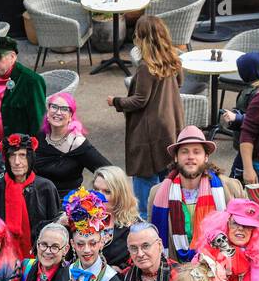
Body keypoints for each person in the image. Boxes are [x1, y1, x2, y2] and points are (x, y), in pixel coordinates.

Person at [146, 125, 247, 262]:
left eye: (196, 152)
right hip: (176, 272)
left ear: (206, 157)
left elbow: (246, 231)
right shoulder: (157, 194)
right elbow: (152, 238)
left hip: (221, 269)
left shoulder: (230, 188)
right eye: (184, 152)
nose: (190, 157)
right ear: (176, 157)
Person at [110, 15, 183, 202]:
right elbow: (179, 83)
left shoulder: (146, 67)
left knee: (144, 199)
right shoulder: (174, 59)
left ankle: (146, 227)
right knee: (167, 187)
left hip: (148, 133)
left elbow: (139, 100)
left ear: (141, 38)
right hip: (170, 126)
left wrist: (116, 101)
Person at [0, 134, 59, 256]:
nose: (17, 162)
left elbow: (56, 229)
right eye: (12, 156)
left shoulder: (46, 188)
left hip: (40, 259)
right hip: (1, 259)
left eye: (22, 155)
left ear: (30, 158)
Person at [38, 92, 110, 198]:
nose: (58, 112)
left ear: (71, 116)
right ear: (48, 112)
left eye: (64, 109)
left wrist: (93, 197)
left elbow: (110, 172)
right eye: (54, 107)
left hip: (65, 207)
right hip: (37, 201)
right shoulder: (40, 136)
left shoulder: (77, 143)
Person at [0, 35, 46, 139]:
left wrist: (32, 150)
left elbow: (38, 122)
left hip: (16, 149)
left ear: (12, 57)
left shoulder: (31, 81)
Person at [219, 52, 259, 181]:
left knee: (236, 179)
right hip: (249, 144)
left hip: (252, 146)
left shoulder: (258, 93)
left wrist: (237, 118)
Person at [92, 167, 141, 269]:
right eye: (96, 189)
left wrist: (121, 270)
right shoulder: (81, 217)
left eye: (107, 192)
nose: (99, 196)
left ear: (120, 195)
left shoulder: (135, 227)